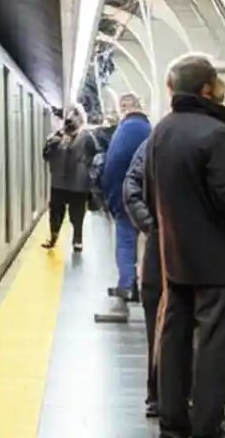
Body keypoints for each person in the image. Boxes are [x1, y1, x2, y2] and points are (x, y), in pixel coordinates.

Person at [149, 54, 225, 438]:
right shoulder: (215, 132)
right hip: (216, 260)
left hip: (175, 256)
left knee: (173, 338)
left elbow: (149, 189)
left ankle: (172, 422)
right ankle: (208, 426)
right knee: (212, 345)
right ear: (206, 88)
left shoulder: (161, 131)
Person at [94, 93, 151, 323]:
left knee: (126, 242)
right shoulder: (146, 128)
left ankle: (127, 287)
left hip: (127, 198)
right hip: (135, 197)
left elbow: (116, 165)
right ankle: (132, 284)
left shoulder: (127, 130)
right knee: (139, 243)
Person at [123, 136, 162, 418]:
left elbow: (131, 188)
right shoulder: (218, 137)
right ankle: (185, 400)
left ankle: (160, 397)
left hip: (160, 252)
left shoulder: (153, 142)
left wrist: (151, 228)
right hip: (192, 254)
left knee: (160, 328)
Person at [42, 106, 96, 252]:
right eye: (69, 114)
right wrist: (51, 145)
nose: (71, 119)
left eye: (76, 114)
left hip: (78, 184)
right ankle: (53, 237)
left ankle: (77, 239)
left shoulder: (87, 137)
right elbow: (46, 156)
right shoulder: (56, 137)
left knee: (77, 214)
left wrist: (90, 174)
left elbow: (94, 157)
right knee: (55, 212)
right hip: (58, 182)